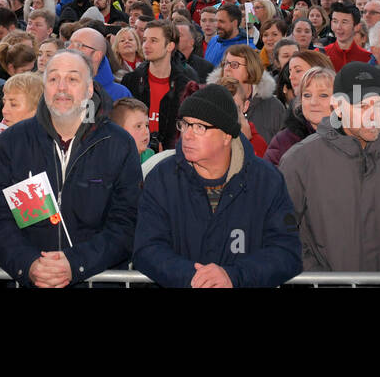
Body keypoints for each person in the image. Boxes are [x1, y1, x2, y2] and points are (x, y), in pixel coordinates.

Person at [0, 48, 141, 287]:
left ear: (89, 89)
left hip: (95, 280)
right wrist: (29, 264)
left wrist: (76, 264)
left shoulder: (118, 144)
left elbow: (127, 221)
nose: (62, 87)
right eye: (53, 78)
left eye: (73, 79)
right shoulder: (12, 142)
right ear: (44, 88)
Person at [132, 84, 300, 288]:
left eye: (200, 127)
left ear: (227, 136)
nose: (187, 135)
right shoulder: (162, 178)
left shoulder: (267, 181)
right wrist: (194, 278)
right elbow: (147, 249)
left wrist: (234, 276)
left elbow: (286, 252)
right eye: (184, 124)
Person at [280, 62, 380, 272]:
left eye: (378, 104)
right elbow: (280, 232)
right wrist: (317, 276)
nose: (373, 116)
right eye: (362, 106)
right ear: (338, 108)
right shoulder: (299, 161)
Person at [122, 20, 198, 151]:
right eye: (145, 40)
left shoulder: (185, 86)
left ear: (170, 46)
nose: (146, 45)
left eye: (154, 40)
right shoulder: (130, 81)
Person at [215, 43, 286, 143]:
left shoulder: (274, 107)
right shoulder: (212, 101)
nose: (227, 68)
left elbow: (282, 147)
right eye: (225, 63)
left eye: (234, 65)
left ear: (250, 69)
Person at [266, 63, 334, 166]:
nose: (313, 102)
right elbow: (269, 179)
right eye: (307, 95)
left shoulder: (352, 138)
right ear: (300, 101)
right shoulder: (284, 141)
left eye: (323, 95)